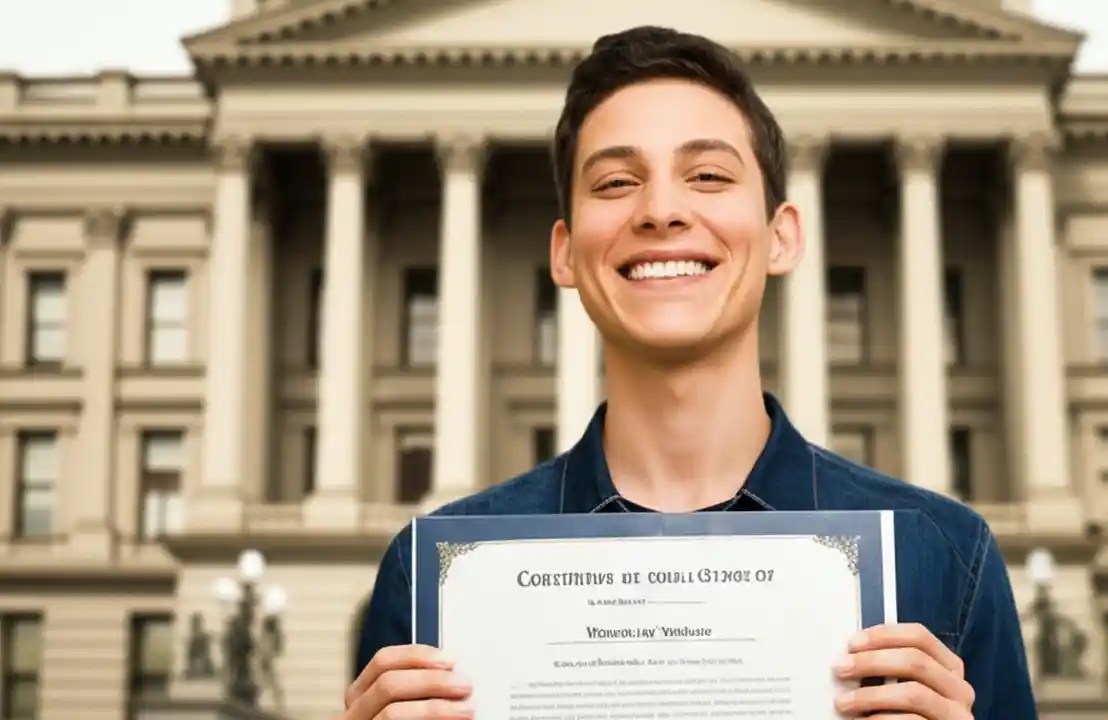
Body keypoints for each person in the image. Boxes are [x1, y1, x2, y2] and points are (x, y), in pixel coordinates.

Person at [344, 25, 1034, 720]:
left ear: (783, 236)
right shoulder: (432, 581)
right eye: (616, 182)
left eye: (707, 176)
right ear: (565, 254)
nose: (662, 211)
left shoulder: (946, 559)